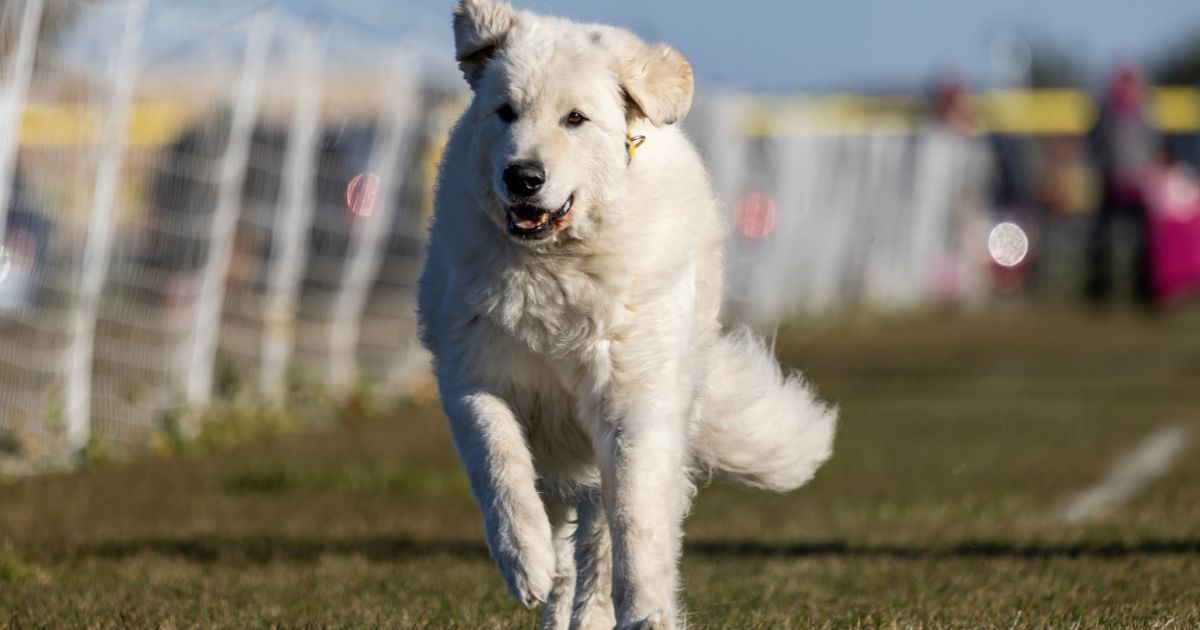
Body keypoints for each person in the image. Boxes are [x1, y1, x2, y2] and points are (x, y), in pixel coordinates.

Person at [1085, 63, 1159, 305]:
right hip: (1112, 180)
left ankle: (1145, 291)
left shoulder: (1146, 109)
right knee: (1102, 239)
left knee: (1143, 243)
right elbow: (1095, 142)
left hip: (1139, 184)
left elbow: (1154, 145)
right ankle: (1099, 290)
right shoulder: (1107, 110)